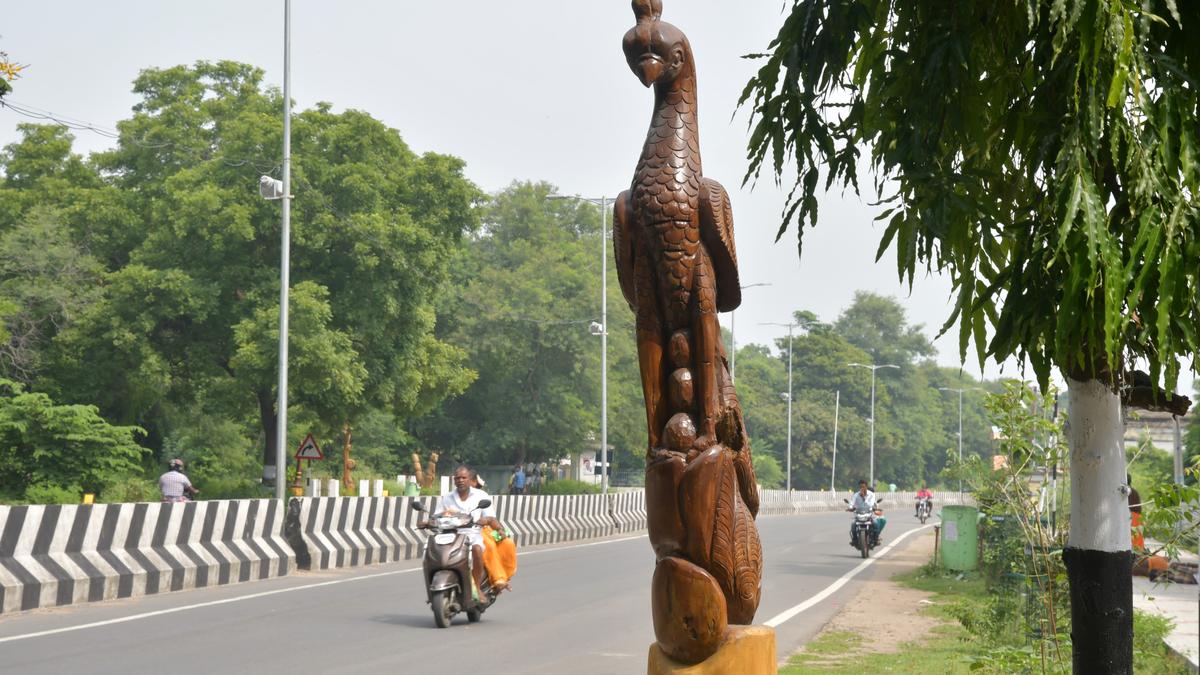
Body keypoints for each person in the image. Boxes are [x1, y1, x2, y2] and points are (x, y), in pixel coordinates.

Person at [434, 465, 504, 595]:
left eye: (463, 478)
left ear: (469, 479)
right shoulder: (447, 497)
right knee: (432, 549)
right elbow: (437, 515)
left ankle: (476, 587)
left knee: (477, 550)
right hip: (450, 535)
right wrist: (428, 521)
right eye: (457, 478)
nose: (460, 480)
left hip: (472, 534)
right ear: (454, 480)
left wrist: (485, 520)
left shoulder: (481, 495)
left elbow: (490, 517)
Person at [847, 479, 884, 545]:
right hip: (859, 514)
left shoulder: (871, 494)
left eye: (863, 487)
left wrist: (863, 497)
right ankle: (854, 540)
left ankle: (875, 539)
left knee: (875, 524)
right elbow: (852, 503)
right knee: (853, 525)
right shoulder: (856, 495)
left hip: (868, 514)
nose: (862, 488)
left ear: (866, 487)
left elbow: (871, 504)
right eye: (860, 487)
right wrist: (850, 508)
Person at [1128, 474, 1144, 552]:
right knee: (1137, 540)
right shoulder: (1134, 491)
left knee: (1131, 540)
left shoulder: (1124, 492)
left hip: (1130, 517)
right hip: (1137, 517)